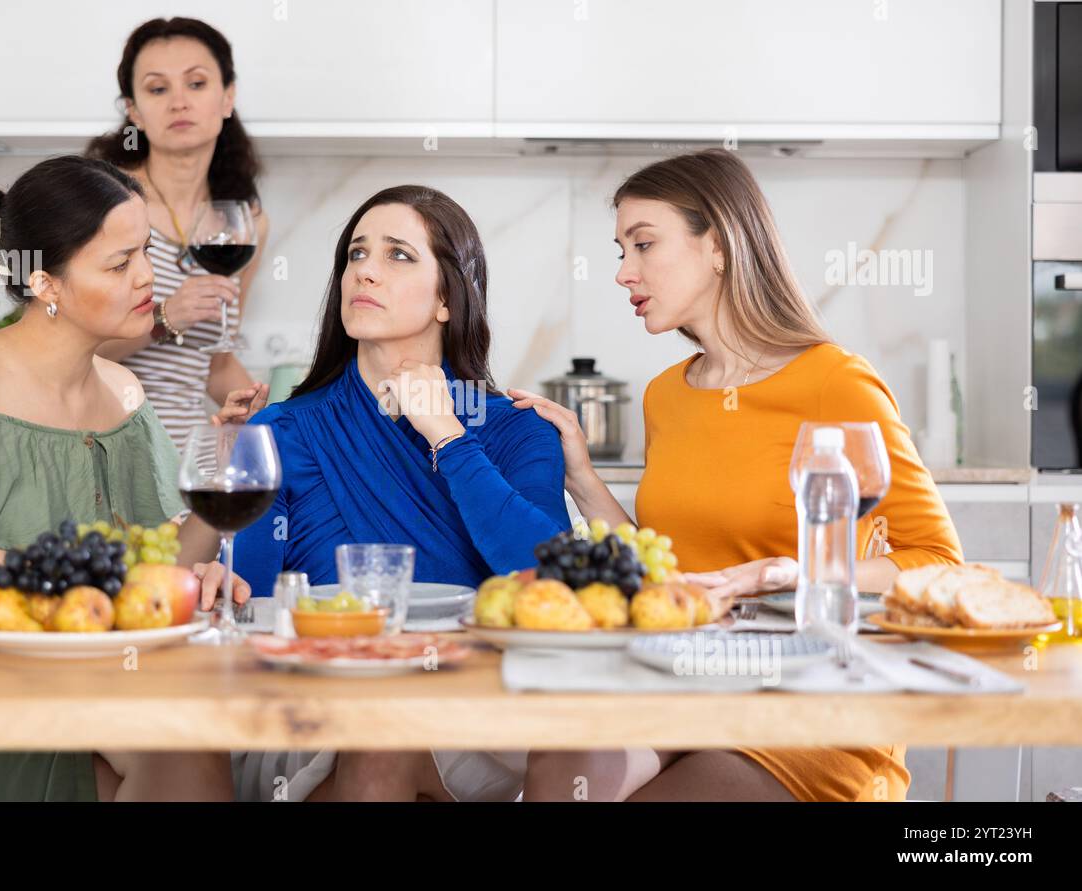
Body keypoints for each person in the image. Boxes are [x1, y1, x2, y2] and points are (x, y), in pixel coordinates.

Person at [509, 149, 963, 801]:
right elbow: (671, 570)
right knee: (561, 769)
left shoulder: (837, 382)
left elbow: (939, 560)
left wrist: (787, 572)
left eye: (643, 245)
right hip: (681, 677)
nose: (623, 272)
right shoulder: (667, 394)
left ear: (717, 245)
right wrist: (580, 474)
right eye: (619, 251)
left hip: (808, 700)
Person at [0, 156, 249, 802]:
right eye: (119, 264)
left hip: (87, 682)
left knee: (192, 749)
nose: (148, 277)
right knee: (184, 760)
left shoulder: (123, 390)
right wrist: (98, 576)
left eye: (144, 251)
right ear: (45, 283)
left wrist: (216, 492)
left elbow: (161, 558)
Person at [230, 185, 570, 801]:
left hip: (479, 705)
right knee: (377, 736)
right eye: (356, 254)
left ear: (447, 298)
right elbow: (249, 609)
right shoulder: (279, 430)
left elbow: (548, 582)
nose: (365, 270)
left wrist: (447, 434)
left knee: (389, 736)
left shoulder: (519, 427)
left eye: (398, 256)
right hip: (319, 707)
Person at [87, 17, 272, 449]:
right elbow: (67, 350)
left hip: (188, 462)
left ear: (227, 97)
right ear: (134, 110)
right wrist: (165, 317)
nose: (178, 102)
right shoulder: (100, 203)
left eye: (196, 83)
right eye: (157, 89)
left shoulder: (246, 223)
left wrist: (275, 419)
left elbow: (218, 366)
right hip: (105, 451)